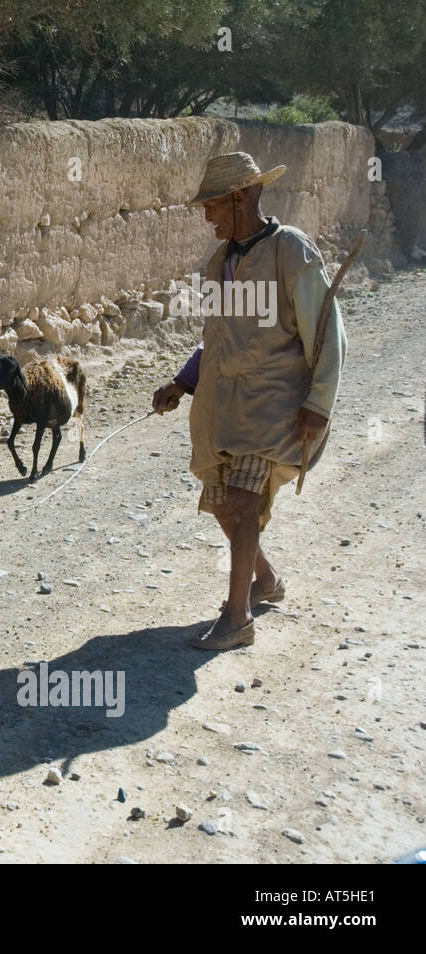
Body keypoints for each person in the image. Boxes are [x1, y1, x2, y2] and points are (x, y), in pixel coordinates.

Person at [152, 152, 346, 650]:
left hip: (274, 406)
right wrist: (183, 381)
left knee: (241, 502)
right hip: (223, 408)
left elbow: (328, 335)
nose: (207, 216)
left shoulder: (291, 251)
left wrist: (318, 405)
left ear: (241, 197)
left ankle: (237, 619)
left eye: (213, 205)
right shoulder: (221, 262)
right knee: (222, 505)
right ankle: (265, 581)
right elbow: (217, 338)